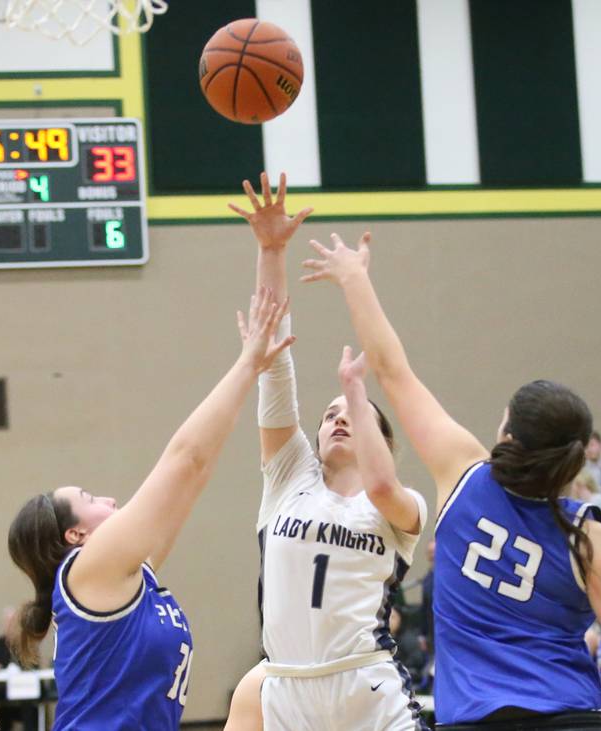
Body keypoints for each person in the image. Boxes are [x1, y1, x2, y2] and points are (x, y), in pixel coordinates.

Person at [300, 230, 601, 729]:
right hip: (567, 717)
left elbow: (391, 369)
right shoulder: (592, 540)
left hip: (474, 721)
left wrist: (355, 280)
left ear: (508, 435)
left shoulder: (463, 476)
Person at [7, 288, 293, 730]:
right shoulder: (88, 569)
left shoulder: (125, 576)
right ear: (75, 536)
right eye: (90, 499)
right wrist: (247, 365)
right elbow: (185, 460)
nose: (108, 500)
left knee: (259, 687)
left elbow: (194, 474)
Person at [225, 174, 428, 731]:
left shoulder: (404, 506)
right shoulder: (290, 476)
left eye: (353, 417)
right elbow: (275, 366)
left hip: (367, 686)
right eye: (329, 415)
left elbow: (382, 486)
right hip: (287, 687)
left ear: (380, 442)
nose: (339, 418)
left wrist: (356, 391)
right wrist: (271, 252)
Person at [0, 607, 37, 731]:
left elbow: (34, 667)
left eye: (14, 622)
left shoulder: (26, 644)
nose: (11, 626)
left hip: (23, 688)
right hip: (2, 688)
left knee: (29, 704)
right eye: (8, 622)